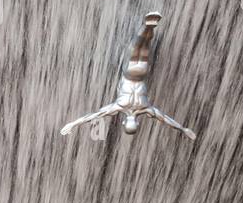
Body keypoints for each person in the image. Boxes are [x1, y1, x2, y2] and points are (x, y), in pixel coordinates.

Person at [61, 12, 198, 139]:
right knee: (136, 47)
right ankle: (147, 26)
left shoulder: (145, 108)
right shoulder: (118, 106)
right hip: (129, 73)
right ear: (124, 122)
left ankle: (150, 28)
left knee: (145, 49)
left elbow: (164, 119)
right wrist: (72, 124)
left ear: (137, 123)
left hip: (141, 73)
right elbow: (92, 116)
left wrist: (183, 129)